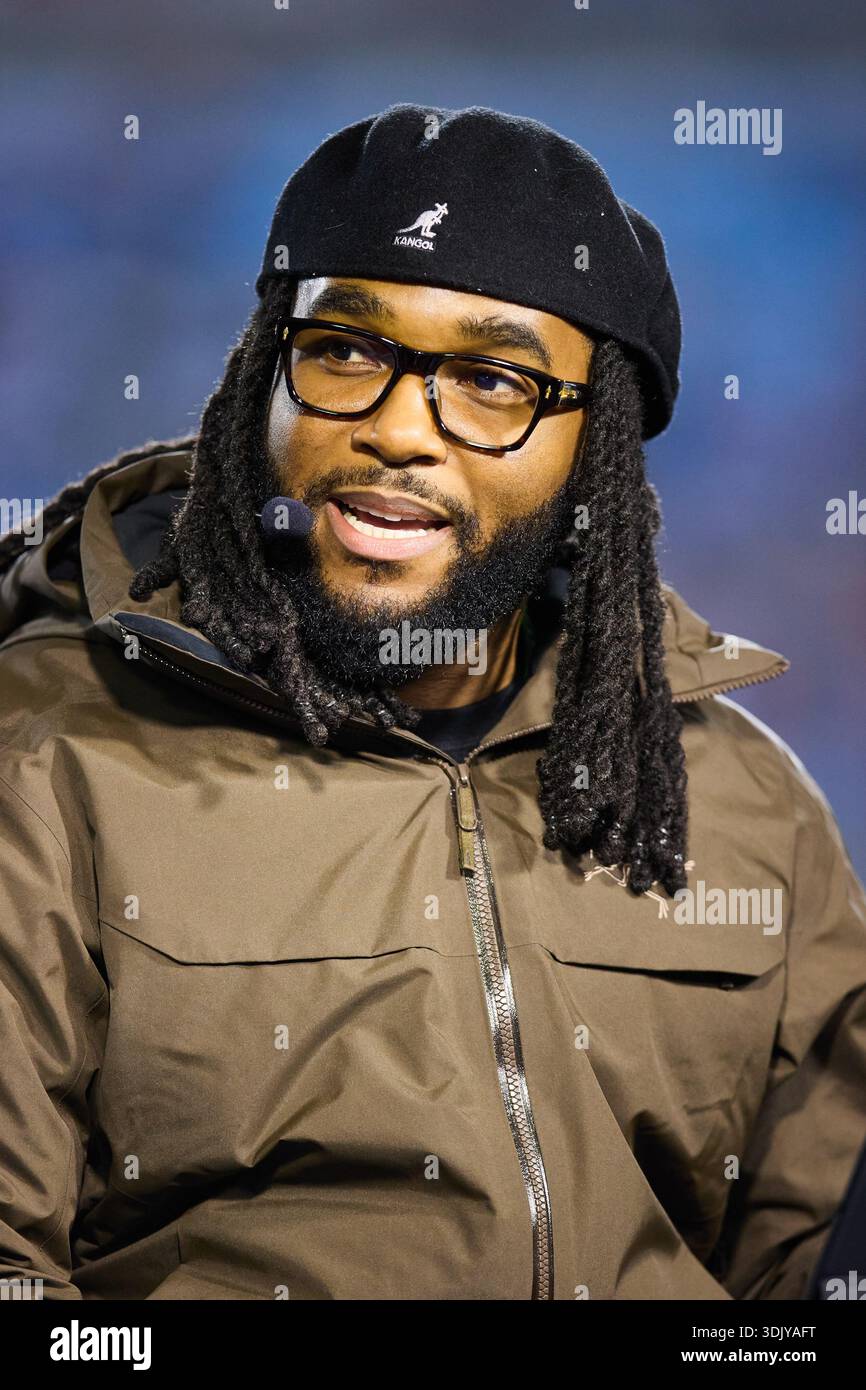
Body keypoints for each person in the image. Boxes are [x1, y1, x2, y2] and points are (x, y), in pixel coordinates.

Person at [0, 103, 864, 1302]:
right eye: (344, 351)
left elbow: (802, 1275)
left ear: (594, 446)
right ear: (265, 374)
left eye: (493, 379)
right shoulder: (43, 748)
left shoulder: (739, 799)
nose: (400, 428)